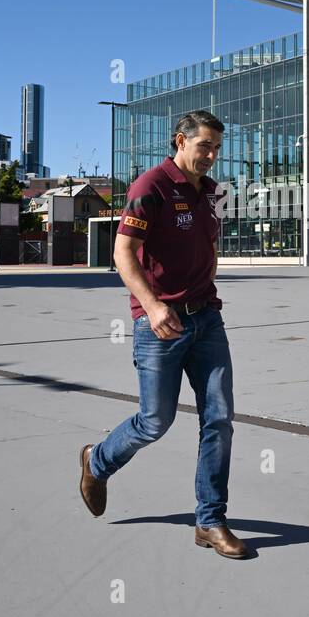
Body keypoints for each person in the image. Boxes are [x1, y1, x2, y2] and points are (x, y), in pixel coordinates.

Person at [77, 110, 247, 559]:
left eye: (216, 148)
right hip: (159, 324)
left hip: (206, 319)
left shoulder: (210, 192)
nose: (211, 156)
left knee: (219, 418)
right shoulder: (150, 186)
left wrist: (207, 293)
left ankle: (210, 520)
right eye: (204, 146)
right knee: (156, 421)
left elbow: (208, 247)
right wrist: (152, 306)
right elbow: (122, 252)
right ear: (180, 141)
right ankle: (98, 461)